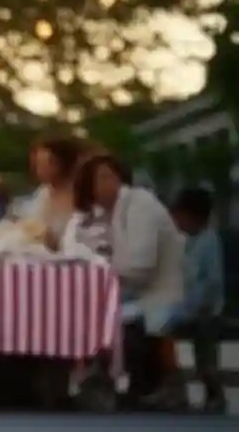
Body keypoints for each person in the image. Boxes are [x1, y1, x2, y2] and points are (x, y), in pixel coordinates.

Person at [68, 153, 185, 405]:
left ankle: (111, 380)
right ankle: (103, 379)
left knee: (99, 314)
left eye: (108, 176)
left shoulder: (140, 205)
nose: (103, 184)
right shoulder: (114, 212)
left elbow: (141, 266)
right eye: (97, 179)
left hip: (160, 293)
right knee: (84, 309)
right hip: (138, 291)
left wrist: (107, 269)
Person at [165, 188, 227, 413]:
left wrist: (203, 306)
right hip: (180, 308)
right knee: (155, 328)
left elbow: (212, 281)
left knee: (205, 342)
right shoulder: (178, 240)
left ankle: (214, 391)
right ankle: (171, 388)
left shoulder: (209, 241)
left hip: (204, 309)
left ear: (196, 218)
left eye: (180, 216)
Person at [26, 136, 85, 246]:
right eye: (37, 164)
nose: (38, 170)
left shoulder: (82, 195)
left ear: (61, 164)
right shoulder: (43, 192)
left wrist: (56, 242)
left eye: (42, 164)